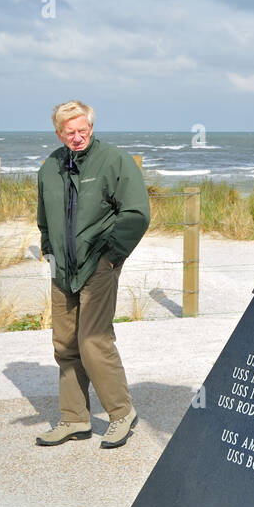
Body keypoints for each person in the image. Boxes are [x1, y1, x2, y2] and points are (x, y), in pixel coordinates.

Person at [35, 101, 150, 446]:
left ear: (91, 127)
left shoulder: (114, 160)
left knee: (92, 340)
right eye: (70, 131)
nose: (78, 136)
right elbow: (44, 220)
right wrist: (50, 252)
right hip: (62, 269)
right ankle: (74, 419)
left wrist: (111, 257)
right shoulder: (48, 168)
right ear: (59, 133)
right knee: (65, 343)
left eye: (83, 129)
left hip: (99, 264)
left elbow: (136, 214)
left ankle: (121, 413)